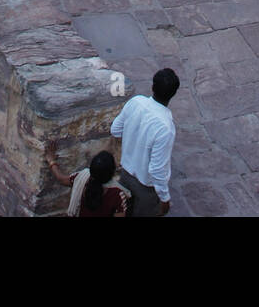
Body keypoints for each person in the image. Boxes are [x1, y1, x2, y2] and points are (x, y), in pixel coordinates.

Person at [110, 69, 180, 216]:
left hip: (125, 176)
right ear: (173, 94)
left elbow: (115, 130)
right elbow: (157, 169)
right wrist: (165, 198)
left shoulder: (135, 102)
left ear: (153, 87)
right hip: (145, 189)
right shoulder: (165, 128)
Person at [48, 149, 129, 218]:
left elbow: (61, 179)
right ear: (112, 172)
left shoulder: (81, 177)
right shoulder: (117, 194)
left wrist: (51, 161)